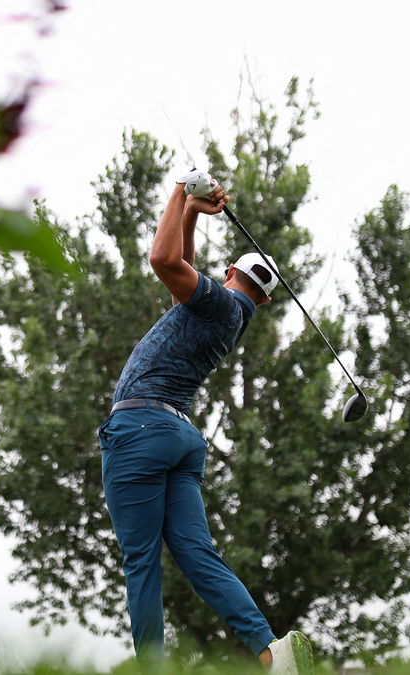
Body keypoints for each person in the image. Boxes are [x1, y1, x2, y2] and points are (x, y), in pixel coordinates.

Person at [96, 176, 313, 673]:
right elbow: (183, 269)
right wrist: (192, 210)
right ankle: (269, 652)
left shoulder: (218, 302)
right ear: (266, 298)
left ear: (232, 270)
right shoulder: (232, 311)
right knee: (198, 555)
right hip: (178, 438)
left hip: (141, 431)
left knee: (142, 563)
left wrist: (178, 193)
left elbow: (164, 261)